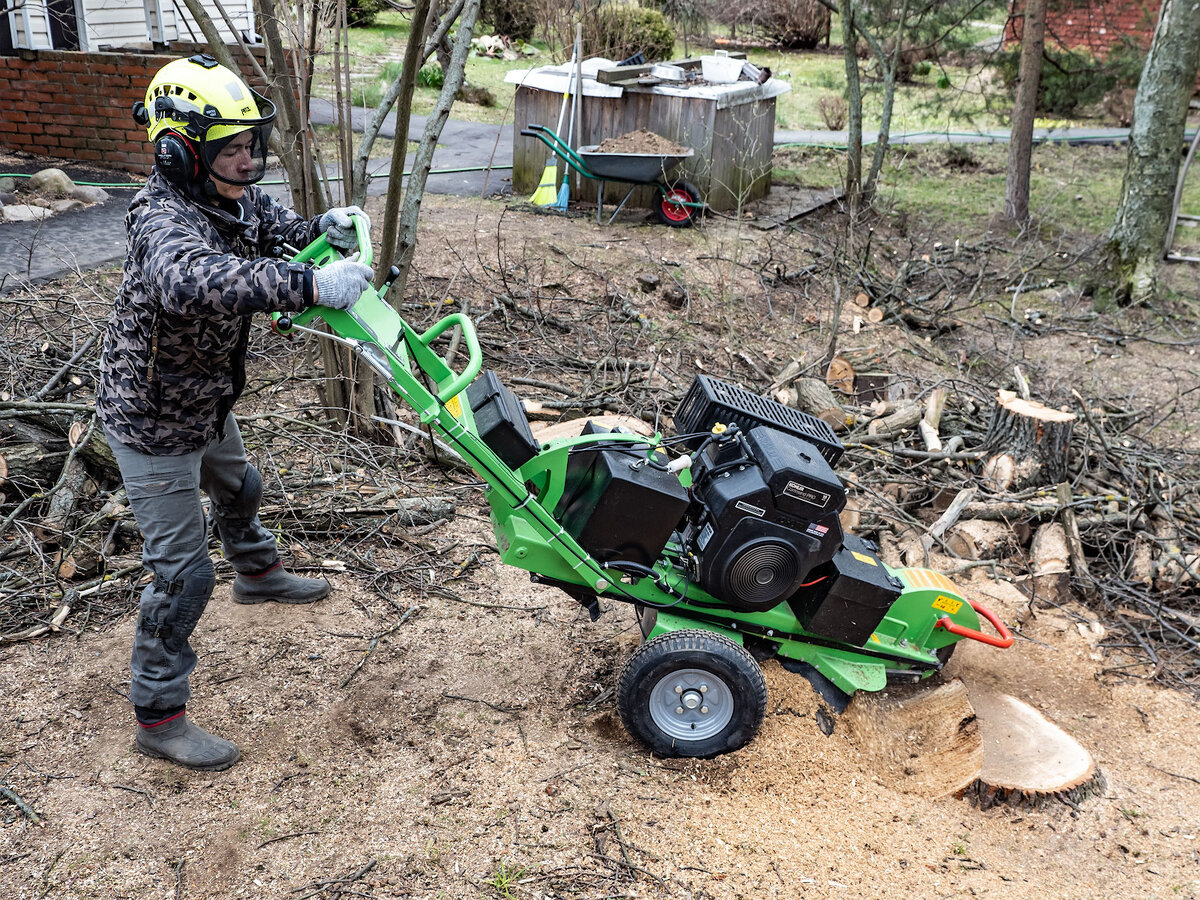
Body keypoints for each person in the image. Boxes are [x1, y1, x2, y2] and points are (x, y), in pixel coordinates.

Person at [95, 53, 373, 772]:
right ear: (180, 152)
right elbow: (194, 280)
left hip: (206, 398)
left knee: (241, 488)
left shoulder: (234, 196)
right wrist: (310, 285)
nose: (250, 161)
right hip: (151, 417)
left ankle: (258, 574)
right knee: (184, 577)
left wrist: (323, 230)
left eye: (255, 145)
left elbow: (275, 228)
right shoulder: (159, 217)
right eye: (234, 149)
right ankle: (159, 715)